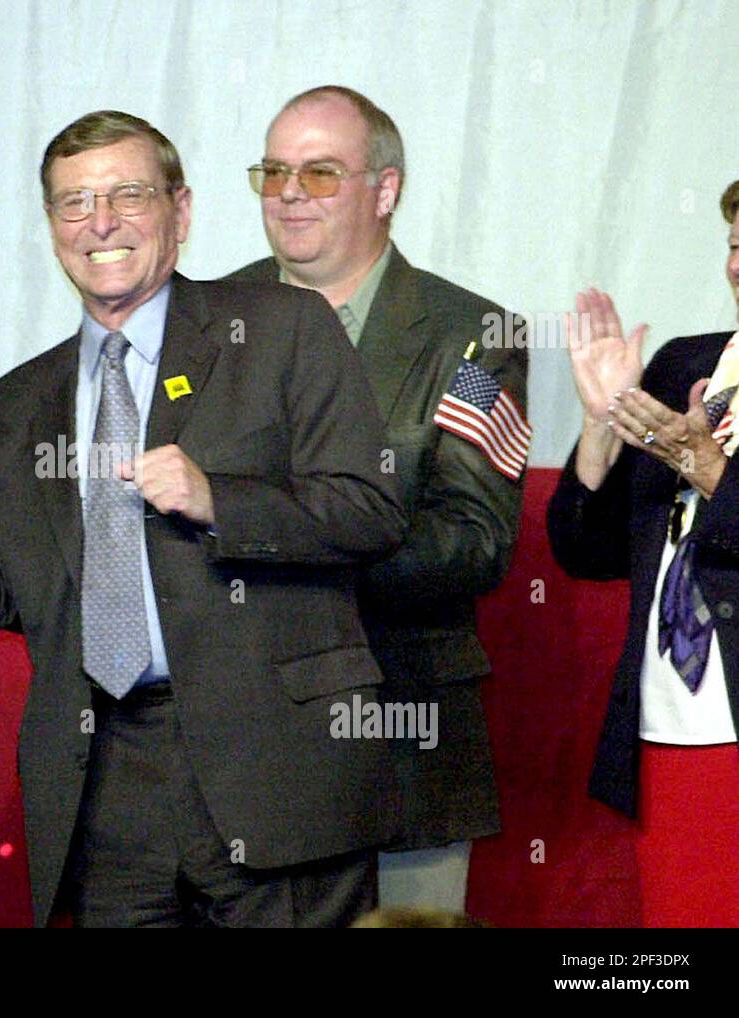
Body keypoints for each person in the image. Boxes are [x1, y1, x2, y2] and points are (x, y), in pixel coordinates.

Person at [0, 109, 407, 927]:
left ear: (180, 213)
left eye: (128, 195)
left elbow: (373, 510)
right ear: (51, 227)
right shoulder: (11, 410)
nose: (100, 222)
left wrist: (221, 500)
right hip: (103, 787)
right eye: (74, 203)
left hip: (274, 767)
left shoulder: (285, 330)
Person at [226, 86, 530, 913]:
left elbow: (474, 541)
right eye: (274, 171)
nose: (288, 192)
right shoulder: (209, 320)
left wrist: (301, 545)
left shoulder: (473, 338)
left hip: (404, 741)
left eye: (321, 173)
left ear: (385, 190)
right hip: (238, 755)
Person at [547, 181, 739, 926]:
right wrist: (601, 425)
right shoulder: (682, 367)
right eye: (733, 246)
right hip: (669, 724)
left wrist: (712, 472)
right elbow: (588, 550)